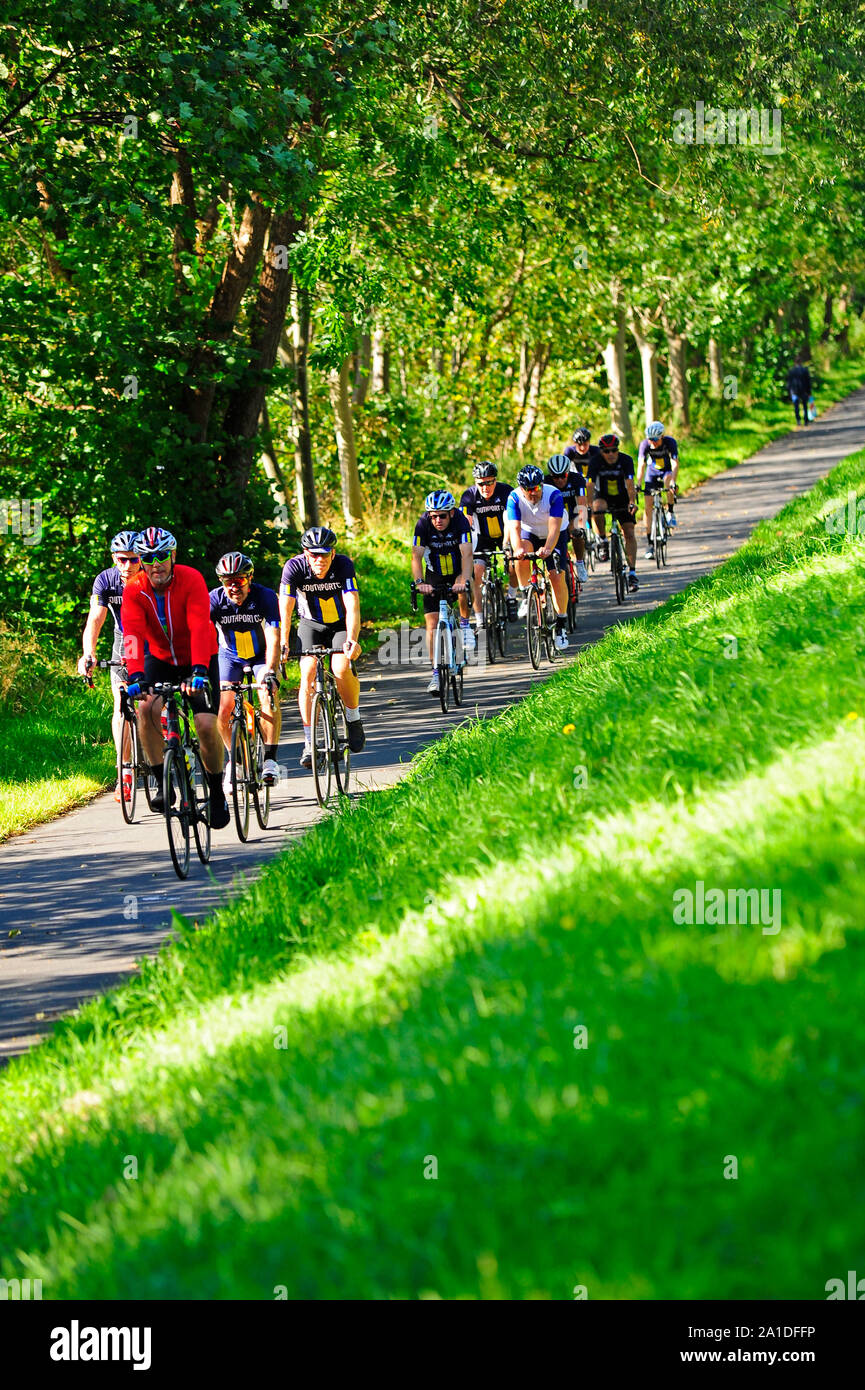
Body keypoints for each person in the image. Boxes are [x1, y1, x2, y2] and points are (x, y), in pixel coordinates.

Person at [121, 526, 231, 828]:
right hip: (160, 658)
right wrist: (135, 676)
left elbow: (198, 625)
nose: (156, 563)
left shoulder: (191, 578)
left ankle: (216, 791)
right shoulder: (133, 589)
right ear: (141, 560)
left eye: (161, 556)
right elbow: (131, 635)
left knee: (206, 724)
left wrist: (197, 671)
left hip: (200, 655)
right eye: (147, 557)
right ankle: (162, 780)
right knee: (145, 708)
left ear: (173, 555)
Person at [279, 526, 364, 768]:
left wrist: (353, 639)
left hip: (339, 626)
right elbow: (285, 607)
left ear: (333, 553)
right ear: (305, 554)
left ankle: (353, 718)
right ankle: (309, 742)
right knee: (306, 674)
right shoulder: (293, 568)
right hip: (310, 626)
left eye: (324, 554)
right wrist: (284, 642)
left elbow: (352, 603)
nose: (319, 560)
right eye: (314, 555)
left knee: (340, 668)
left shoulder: (343, 566)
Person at [77, 530, 142, 803]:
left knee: (153, 699)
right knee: (121, 704)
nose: (127, 566)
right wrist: (88, 653)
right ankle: (124, 770)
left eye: (133, 559)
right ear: (114, 558)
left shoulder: (152, 576)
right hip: (126, 640)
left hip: (154, 638)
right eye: (121, 560)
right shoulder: (106, 580)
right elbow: (95, 618)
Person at [209, 552, 282, 790]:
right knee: (222, 706)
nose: (233, 587)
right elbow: (205, 636)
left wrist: (271, 670)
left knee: (267, 696)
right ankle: (235, 760)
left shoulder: (265, 596)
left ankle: (270, 760)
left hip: (261, 656)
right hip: (230, 656)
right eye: (227, 581)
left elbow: (273, 635)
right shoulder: (214, 600)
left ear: (249, 578)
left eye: (239, 581)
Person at [412, 490, 474, 693]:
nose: (437, 520)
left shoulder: (461, 522)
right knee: (431, 624)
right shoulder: (423, 524)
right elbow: (416, 556)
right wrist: (420, 582)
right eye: (433, 516)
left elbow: (466, 554)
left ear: (452, 513)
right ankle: (436, 675)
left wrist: (463, 578)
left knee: (463, 589)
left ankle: (464, 625)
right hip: (434, 574)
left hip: (457, 568)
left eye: (442, 515)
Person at [503, 464, 570, 651]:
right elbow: (515, 528)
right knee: (521, 555)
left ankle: (562, 623)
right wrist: (517, 550)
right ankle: (527, 594)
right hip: (529, 532)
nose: (533, 493)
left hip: (554, 533)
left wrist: (548, 549)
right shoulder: (514, 498)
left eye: (537, 488)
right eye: (528, 489)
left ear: (542, 484)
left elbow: (555, 527)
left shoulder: (553, 495)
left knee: (556, 576)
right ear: (521, 488)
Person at [458, 461, 518, 624]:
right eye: (481, 483)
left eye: (489, 482)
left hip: (506, 533)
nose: (485, 487)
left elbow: (511, 520)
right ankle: (479, 620)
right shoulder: (469, 496)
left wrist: (507, 544)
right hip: (482, 538)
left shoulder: (506, 491)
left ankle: (511, 597)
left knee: (515, 564)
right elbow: (465, 523)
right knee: (476, 573)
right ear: (476, 482)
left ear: (495, 480)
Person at [585, 434, 640, 592]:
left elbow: (630, 483)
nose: (610, 454)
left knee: (629, 532)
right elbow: (590, 484)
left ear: (618, 450)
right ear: (601, 451)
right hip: (603, 496)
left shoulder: (626, 460)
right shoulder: (595, 461)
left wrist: (632, 502)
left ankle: (632, 572)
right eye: (606, 451)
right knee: (597, 507)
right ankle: (602, 539)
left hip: (623, 497)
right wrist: (588, 505)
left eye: (613, 450)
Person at [636, 421, 679, 560]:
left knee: (668, 482)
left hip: (666, 471)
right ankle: (649, 543)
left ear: (662, 436)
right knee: (648, 508)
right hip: (652, 473)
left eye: (656, 439)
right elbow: (641, 465)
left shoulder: (670, 442)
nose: (653, 442)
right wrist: (638, 483)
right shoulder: (645, 445)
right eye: (650, 439)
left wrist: (673, 481)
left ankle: (670, 511)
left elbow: (675, 463)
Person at [545, 453, 588, 585]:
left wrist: (579, 525)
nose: (559, 480)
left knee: (577, 533)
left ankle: (580, 563)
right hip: (552, 517)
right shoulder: (545, 482)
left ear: (568, 473)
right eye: (555, 477)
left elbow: (582, 504)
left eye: (563, 476)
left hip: (571, 515)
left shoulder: (577, 479)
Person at [786, 355, 813, 427]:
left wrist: (789, 392)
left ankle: (798, 420)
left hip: (794, 391)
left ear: (795, 362)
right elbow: (808, 382)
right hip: (804, 391)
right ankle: (806, 420)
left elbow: (789, 383)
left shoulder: (791, 371)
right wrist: (809, 392)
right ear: (801, 362)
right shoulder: (805, 370)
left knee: (796, 406)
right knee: (805, 406)